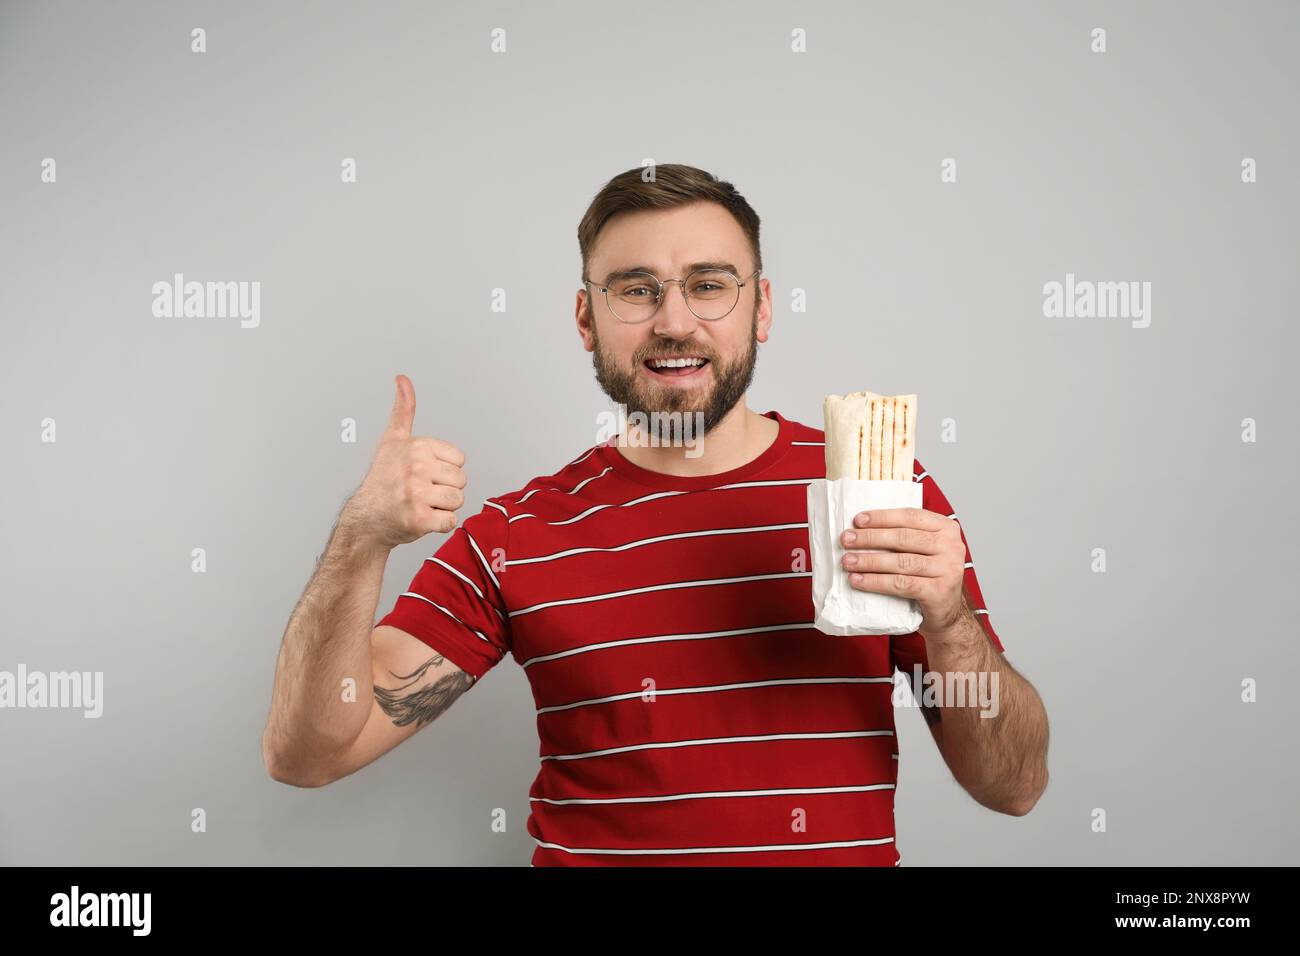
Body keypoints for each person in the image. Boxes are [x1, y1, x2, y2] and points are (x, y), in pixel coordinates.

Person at [262, 164, 1049, 866]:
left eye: (709, 285)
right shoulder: (514, 537)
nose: (674, 321)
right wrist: (361, 538)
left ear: (762, 308)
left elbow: (1013, 786)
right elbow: (308, 755)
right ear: (586, 319)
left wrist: (949, 621)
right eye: (636, 290)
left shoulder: (877, 490)